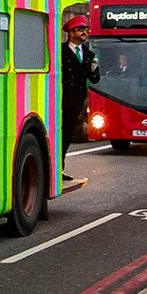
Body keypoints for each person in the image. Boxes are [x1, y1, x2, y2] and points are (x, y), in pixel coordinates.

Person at [60, 15, 100, 180]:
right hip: (60, 99)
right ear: (71, 32)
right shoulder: (60, 50)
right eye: (80, 30)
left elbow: (95, 78)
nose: (84, 32)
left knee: (67, 135)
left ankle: (59, 169)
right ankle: (56, 169)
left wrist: (93, 70)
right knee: (58, 134)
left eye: (85, 29)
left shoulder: (89, 54)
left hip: (76, 101)